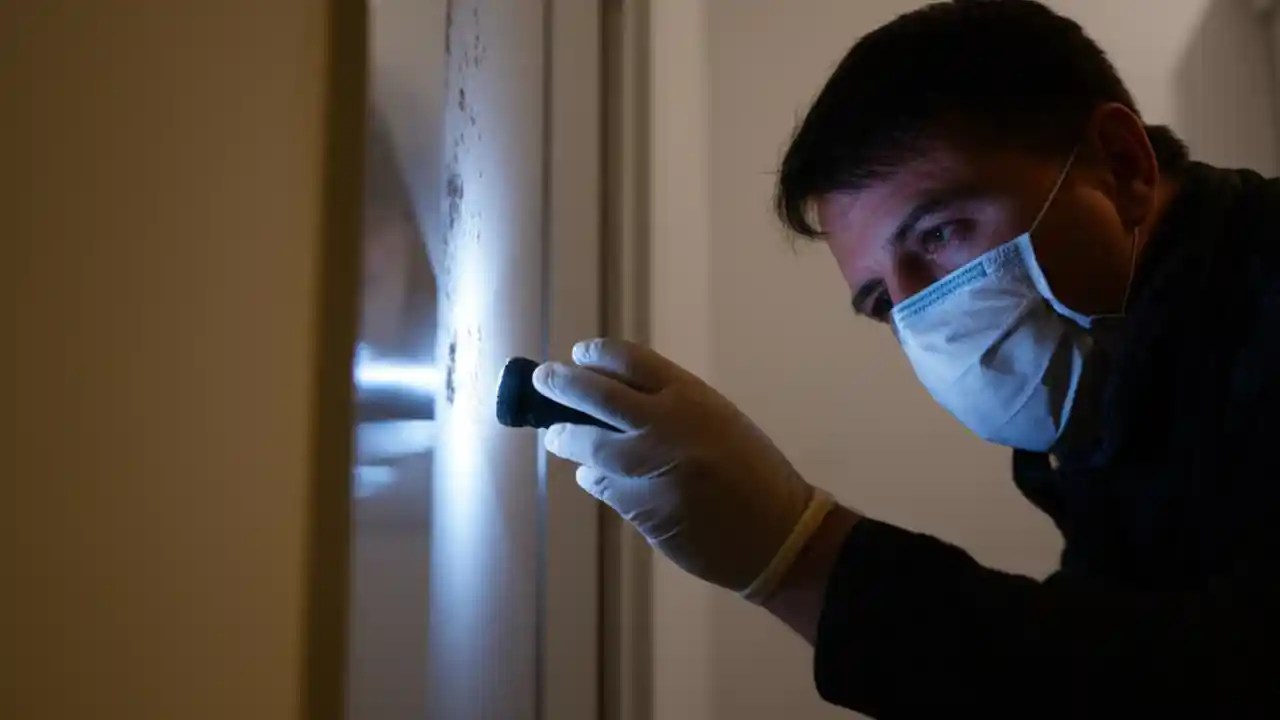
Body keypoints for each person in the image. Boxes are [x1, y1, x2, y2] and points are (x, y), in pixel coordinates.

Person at [533, 1, 1280, 716]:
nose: (926, 316)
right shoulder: (1103, 396)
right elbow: (1100, 653)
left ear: (1121, 169)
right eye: (884, 303)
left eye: (938, 236)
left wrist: (800, 553)